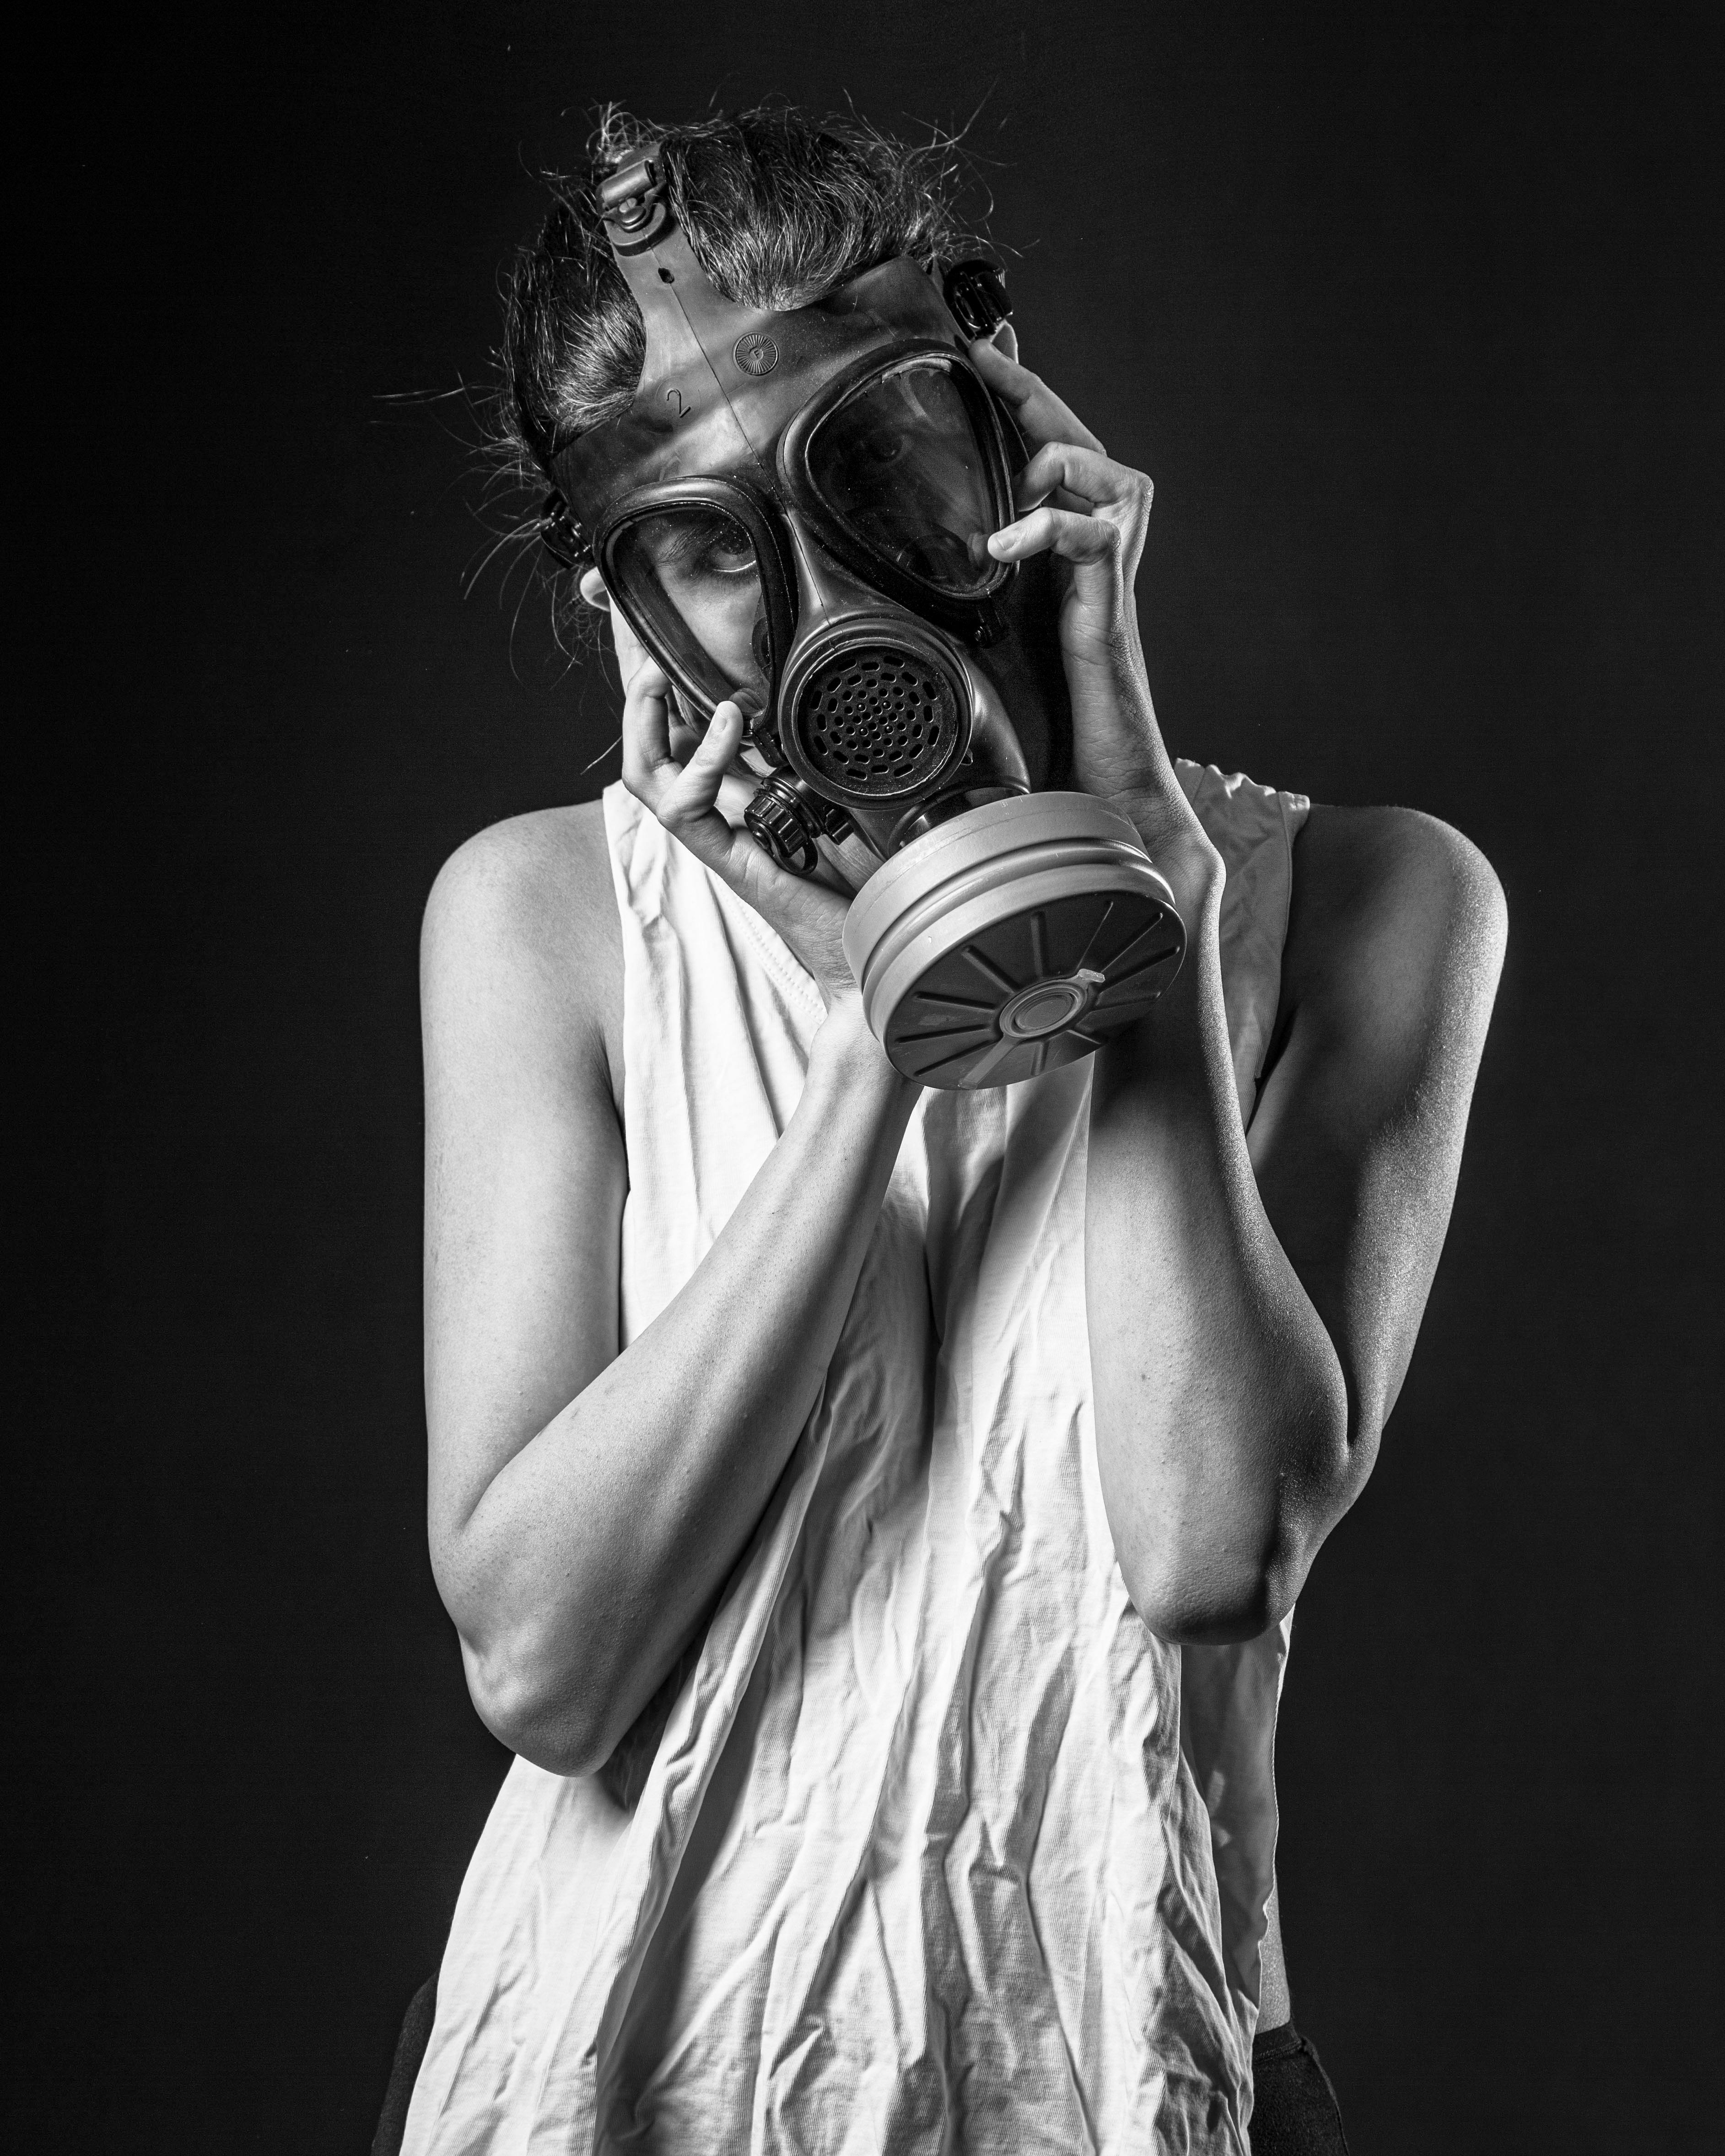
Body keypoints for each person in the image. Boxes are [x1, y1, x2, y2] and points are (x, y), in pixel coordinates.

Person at [388, 107, 1505, 2156]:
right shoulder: (546, 918)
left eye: (871, 465)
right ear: (621, 606)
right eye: (712, 547)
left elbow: (1202, 1545)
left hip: (1100, 2058)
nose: (826, 592)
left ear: (1003, 424)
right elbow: (544, 1660)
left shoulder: (1368, 901)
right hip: (622, 2074)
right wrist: (874, 1024)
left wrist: (1130, 854)